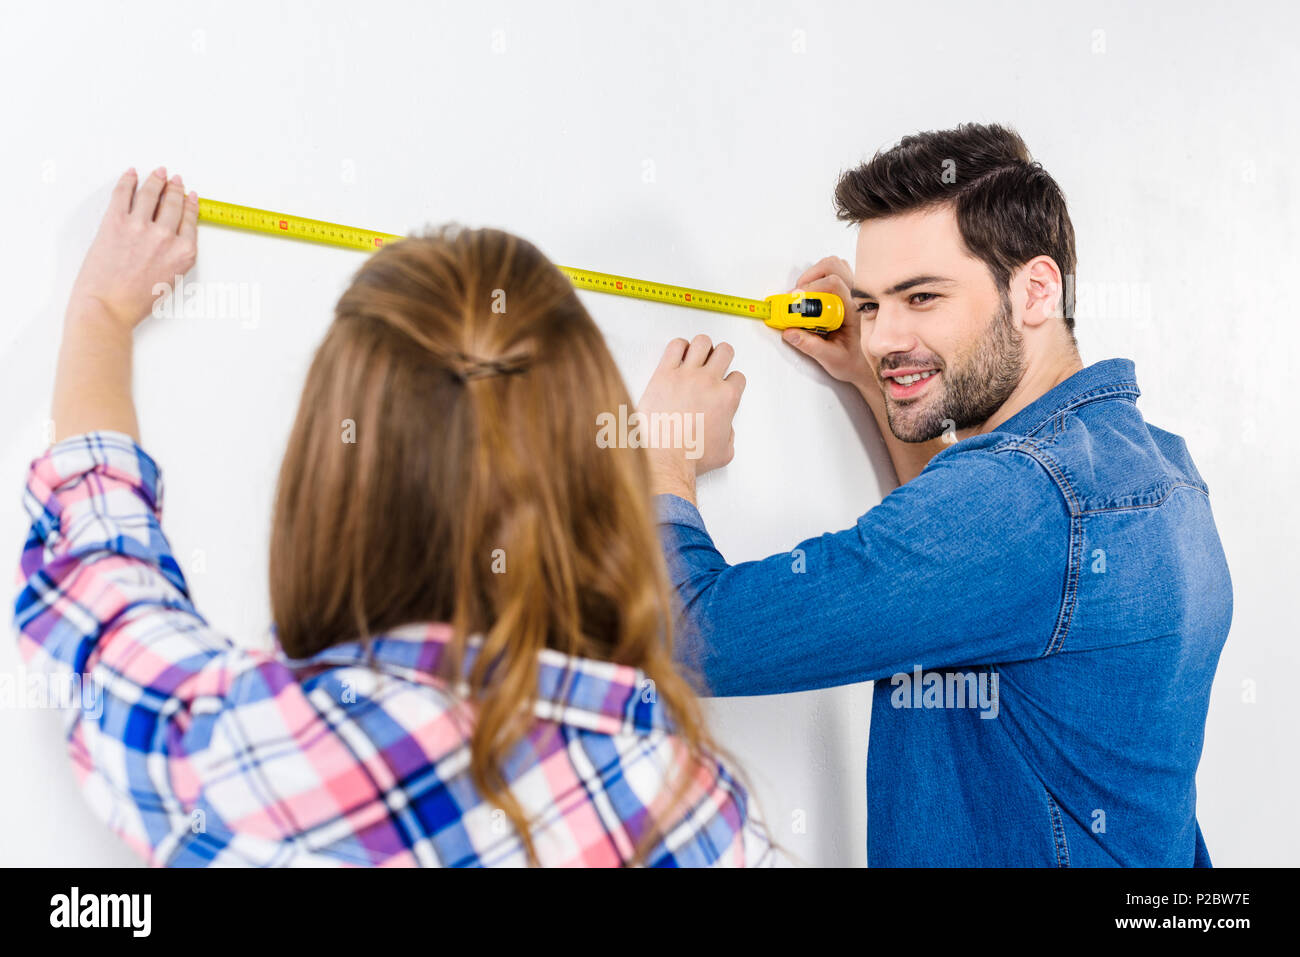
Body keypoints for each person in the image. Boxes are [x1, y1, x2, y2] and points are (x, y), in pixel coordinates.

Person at [14, 166, 774, 867]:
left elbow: (101, 575)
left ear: (331, 475)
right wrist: (662, 469)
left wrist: (100, 315)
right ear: (594, 489)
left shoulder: (245, 753)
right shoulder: (695, 818)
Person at [637, 123, 1232, 866]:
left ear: (1035, 290)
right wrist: (876, 376)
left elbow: (695, 638)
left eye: (922, 297)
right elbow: (966, 573)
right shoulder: (1159, 469)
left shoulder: (1015, 505)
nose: (884, 336)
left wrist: (664, 458)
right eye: (871, 305)